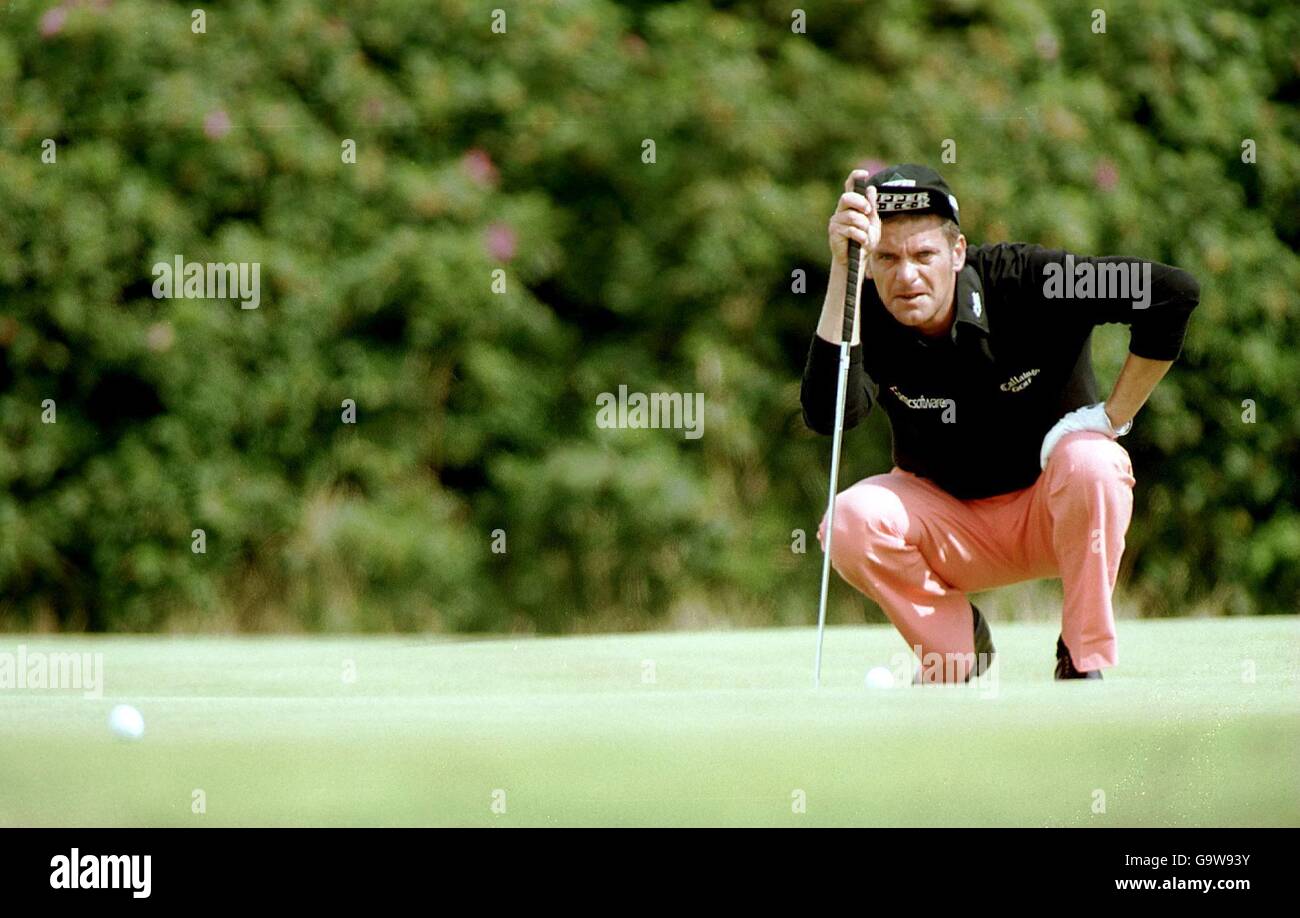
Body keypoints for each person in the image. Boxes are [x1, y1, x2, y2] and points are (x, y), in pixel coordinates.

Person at [802, 164, 1200, 682]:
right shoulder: (867, 308)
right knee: (849, 521)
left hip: (1054, 514)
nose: (906, 276)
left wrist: (1112, 417)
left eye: (924, 255)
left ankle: (1080, 656)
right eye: (887, 258)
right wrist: (844, 270)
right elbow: (829, 416)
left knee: (1094, 462)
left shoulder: (1032, 280)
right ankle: (957, 651)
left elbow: (1173, 293)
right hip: (949, 529)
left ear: (957, 251)